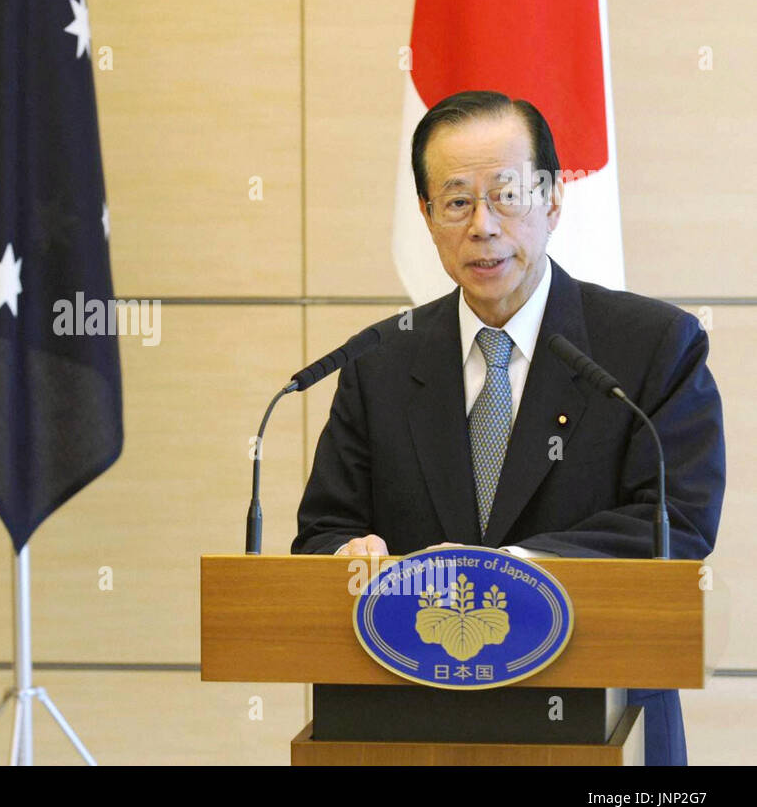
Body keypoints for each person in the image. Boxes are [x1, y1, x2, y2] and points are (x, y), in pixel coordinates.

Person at [293, 90, 724, 765]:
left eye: (507, 194)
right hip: (413, 732)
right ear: (427, 217)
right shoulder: (380, 362)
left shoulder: (651, 348)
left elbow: (677, 523)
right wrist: (347, 555)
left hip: (601, 730)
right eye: (457, 201)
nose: (483, 225)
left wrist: (510, 571)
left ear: (552, 199)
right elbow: (322, 533)